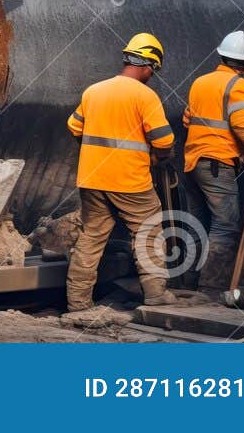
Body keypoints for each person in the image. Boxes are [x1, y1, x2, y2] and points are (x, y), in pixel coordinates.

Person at [64, 32, 180, 313]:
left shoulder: (93, 91)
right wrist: (160, 158)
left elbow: (73, 126)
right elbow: (164, 141)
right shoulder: (145, 96)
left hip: (92, 178)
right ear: (147, 65)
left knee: (91, 237)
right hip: (130, 181)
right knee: (148, 232)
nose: (153, 74)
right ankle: (154, 293)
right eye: (154, 68)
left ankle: (78, 302)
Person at [182, 31, 244, 291]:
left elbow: (188, 119)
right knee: (225, 226)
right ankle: (209, 289)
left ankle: (188, 284)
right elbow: (241, 123)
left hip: (192, 162)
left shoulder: (200, 82)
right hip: (216, 162)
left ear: (221, 55)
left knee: (197, 225)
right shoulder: (239, 87)